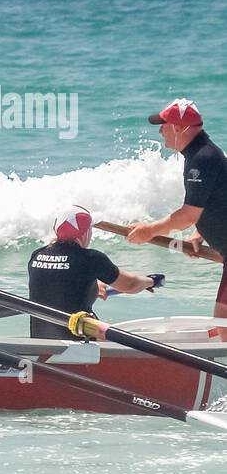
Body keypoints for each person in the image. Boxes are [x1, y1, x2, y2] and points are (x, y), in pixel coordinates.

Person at [126, 99, 227, 328]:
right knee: (223, 326)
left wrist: (149, 231)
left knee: (223, 327)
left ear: (179, 128)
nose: (161, 130)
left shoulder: (202, 158)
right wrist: (199, 232)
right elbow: (215, 199)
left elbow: (187, 214)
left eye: (164, 124)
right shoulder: (201, 154)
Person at [30, 206, 159, 339]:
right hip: (79, 345)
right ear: (84, 232)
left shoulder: (37, 255)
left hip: (41, 343)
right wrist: (151, 281)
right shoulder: (91, 258)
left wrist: (93, 286)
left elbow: (60, 280)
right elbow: (131, 285)